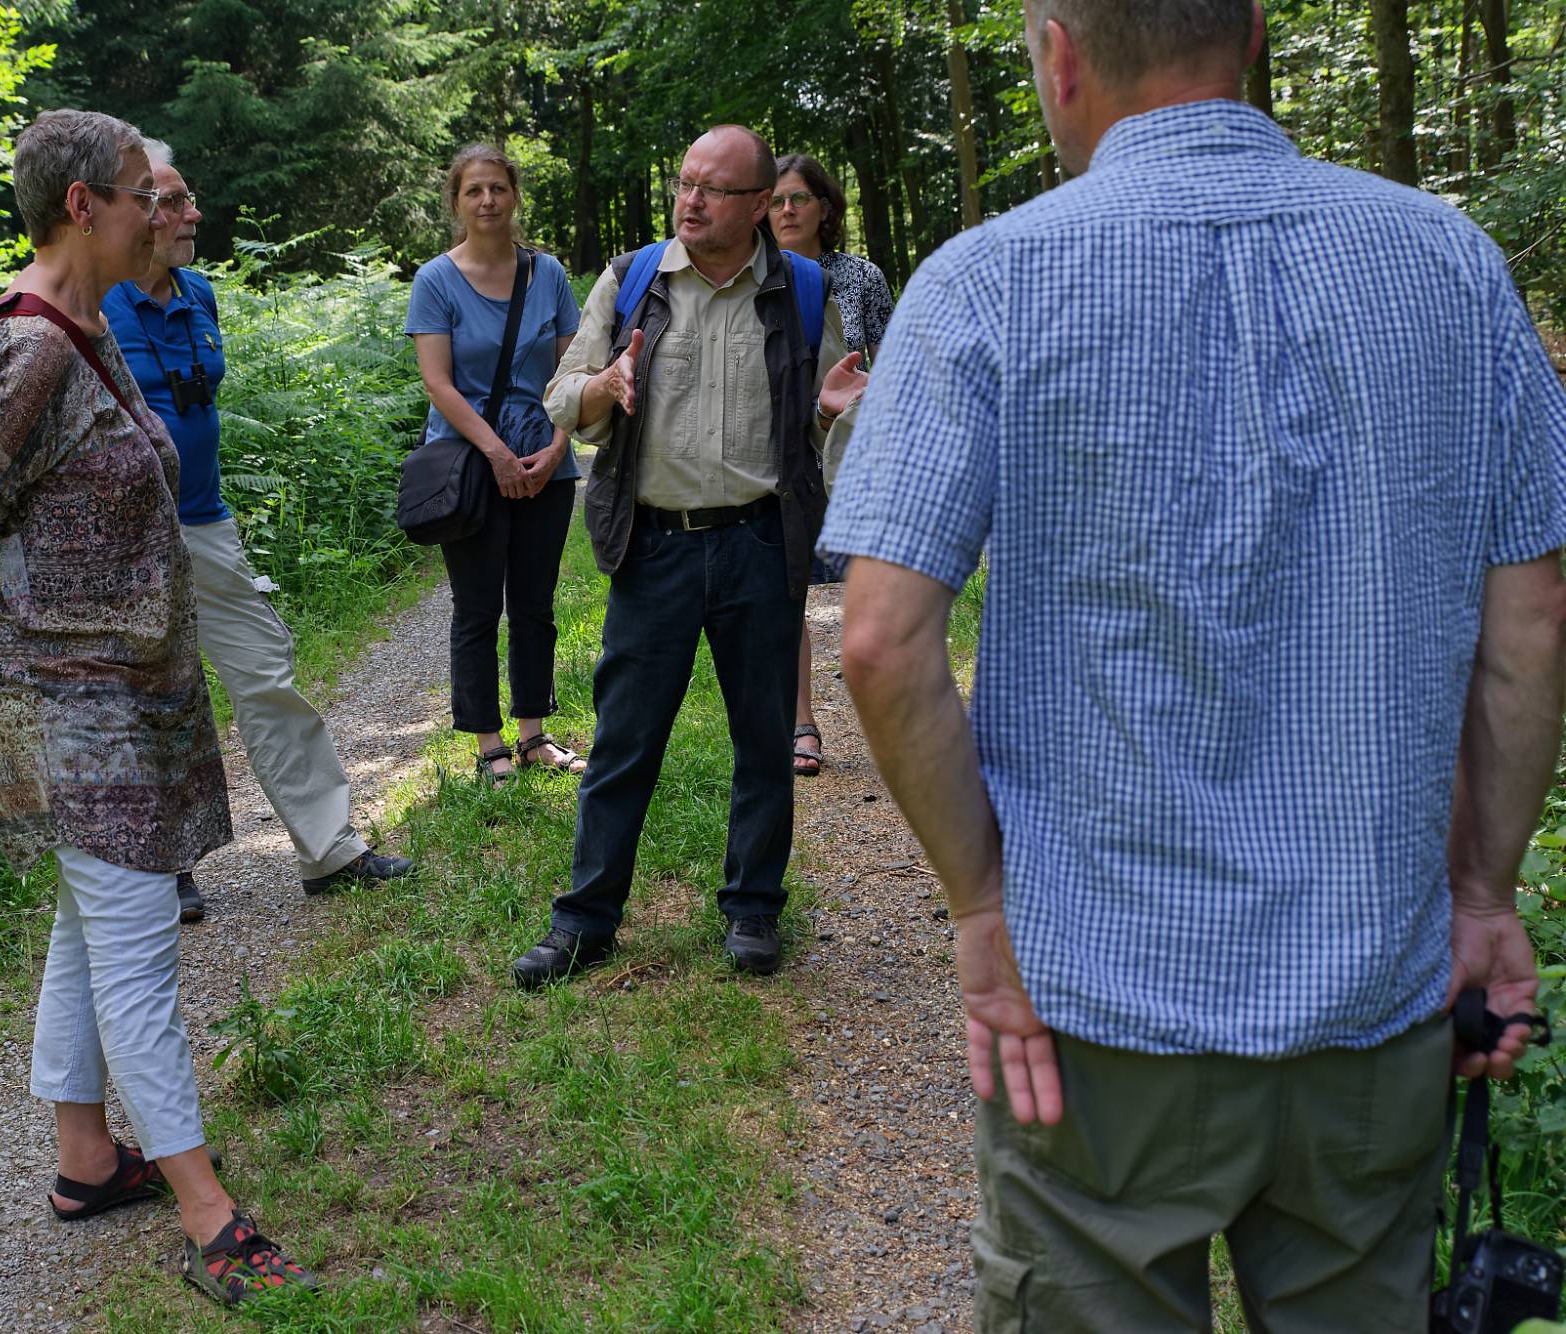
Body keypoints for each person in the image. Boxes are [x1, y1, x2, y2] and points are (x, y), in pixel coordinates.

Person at [824, 0, 1565, 1325]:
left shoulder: (990, 279)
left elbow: (879, 638)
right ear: (1257, 38)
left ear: (1057, 52)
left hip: (1096, 1024)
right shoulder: (1451, 264)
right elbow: (1534, 619)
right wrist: (1483, 887)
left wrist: (984, 910)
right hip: (1374, 996)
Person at [0, 109, 313, 1310]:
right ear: (82, 204)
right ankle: (207, 1208)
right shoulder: (30, 344)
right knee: (138, 947)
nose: (164, 208)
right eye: (146, 190)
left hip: (113, 686)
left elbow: (24, 509)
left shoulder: (94, 330)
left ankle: (86, 1161)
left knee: (90, 930)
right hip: (64, 702)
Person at [0, 142, 417, 921]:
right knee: (146, 695)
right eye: (165, 200)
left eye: (178, 200)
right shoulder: (83, 306)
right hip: (111, 553)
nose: (184, 215)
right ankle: (165, 865)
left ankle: (329, 848)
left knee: (265, 673)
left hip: (203, 527)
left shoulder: (199, 296)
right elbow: (9, 464)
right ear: (120, 209)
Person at [511, 124, 869, 989]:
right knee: (624, 743)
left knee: (763, 741)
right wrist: (600, 387)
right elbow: (562, 394)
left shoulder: (804, 291)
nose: (692, 200)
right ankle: (586, 922)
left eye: (715, 190)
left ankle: (752, 909)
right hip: (655, 549)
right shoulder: (633, 281)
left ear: (757, 206)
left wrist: (828, 414)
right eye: (685, 183)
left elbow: (831, 420)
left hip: (758, 542)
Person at [406, 144, 588, 785]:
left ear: (514, 196)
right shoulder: (436, 281)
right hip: (472, 466)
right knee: (479, 606)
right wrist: (498, 454)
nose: (488, 201)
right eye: (474, 191)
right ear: (457, 203)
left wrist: (561, 445)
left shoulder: (550, 276)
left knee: (536, 603)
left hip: (547, 462)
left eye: (498, 189)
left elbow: (573, 369)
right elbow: (439, 384)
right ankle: (489, 745)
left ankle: (535, 734)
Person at [765, 152, 893, 777]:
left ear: (826, 208)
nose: (787, 210)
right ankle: (801, 724)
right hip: (775, 455)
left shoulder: (861, 278)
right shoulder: (752, 274)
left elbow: (891, 361)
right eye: (776, 200)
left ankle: (896, 712)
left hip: (851, 455)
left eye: (800, 199)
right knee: (785, 593)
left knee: (874, 588)